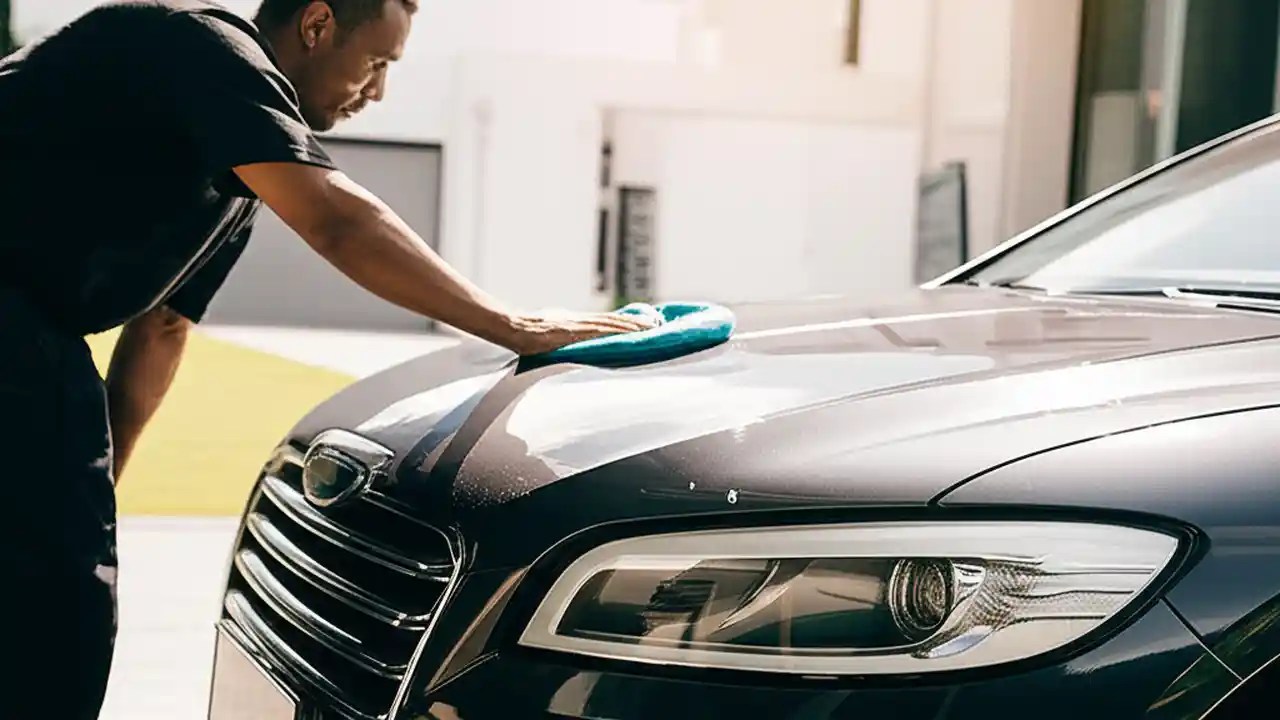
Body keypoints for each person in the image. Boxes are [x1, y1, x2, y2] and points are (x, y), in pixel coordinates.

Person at [0, 0, 652, 716]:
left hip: (35, 347)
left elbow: (162, 329)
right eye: (376, 63)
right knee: (54, 629)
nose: (377, 93)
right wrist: (513, 325)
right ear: (316, 25)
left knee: (58, 603)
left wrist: (87, 499)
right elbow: (339, 221)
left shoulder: (237, 179)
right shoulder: (203, 48)